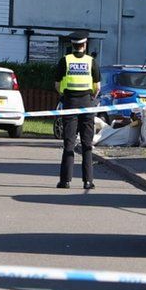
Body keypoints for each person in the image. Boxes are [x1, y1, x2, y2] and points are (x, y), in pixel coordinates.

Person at [54, 30, 101, 189]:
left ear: (72, 45)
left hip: (70, 105)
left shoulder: (64, 61)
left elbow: (57, 85)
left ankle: (65, 181)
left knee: (69, 143)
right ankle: (88, 181)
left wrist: (65, 95)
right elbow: (97, 87)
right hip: (87, 105)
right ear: (85, 44)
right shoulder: (91, 61)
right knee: (87, 144)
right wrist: (90, 97)